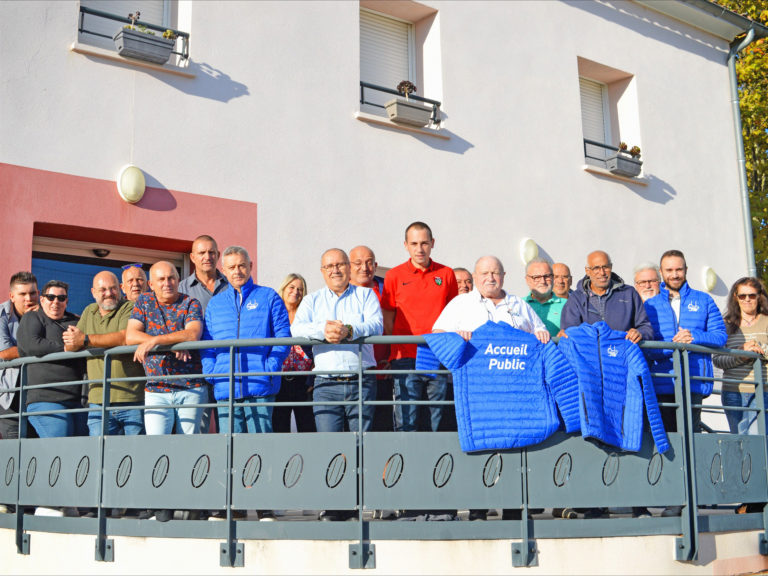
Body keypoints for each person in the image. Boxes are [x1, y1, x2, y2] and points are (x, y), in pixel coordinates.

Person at [291, 248, 382, 522]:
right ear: (322, 271)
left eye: (340, 264)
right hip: (325, 383)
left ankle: (357, 503)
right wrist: (324, 331)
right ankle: (335, 505)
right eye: (329, 266)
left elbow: (377, 325)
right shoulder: (312, 300)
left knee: (359, 445)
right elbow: (297, 329)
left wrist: (349, 331)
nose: (335, 270)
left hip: (361, 380)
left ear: (348, 268)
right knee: (330, 446)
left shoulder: (366, 295)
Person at [201, 246, 291, 434]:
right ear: (223, 271)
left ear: (250, 266)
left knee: (260, 448)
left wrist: (271, 367)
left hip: (261, 384)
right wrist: (211, 372)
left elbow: (283, 336)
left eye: (241, 266)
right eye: (231, 267)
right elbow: (207, 344)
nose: (237, 271)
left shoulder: (269, 297)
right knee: (230, 448)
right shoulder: (215, 304)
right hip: (225, 385)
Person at [381, 222, 458, 432]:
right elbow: (388, 318)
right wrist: (401, 344)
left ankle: (433, 464)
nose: (419, 248)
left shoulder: (447, 274)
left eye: (424, 243)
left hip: (437, 355)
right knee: (406, 420)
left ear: (432, 243)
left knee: (436, 418)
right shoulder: (394, 276)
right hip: (405, 357)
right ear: (405, 245)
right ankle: (406, 463)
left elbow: (453, 315)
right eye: (414, 243)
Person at [643, 250, 727, 431]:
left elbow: (720, 336)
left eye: (679, 269)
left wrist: (694, 337)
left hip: (694, 381)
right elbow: (645, 345)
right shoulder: (650, 305)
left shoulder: (704, 300)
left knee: (692, 436)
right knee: (668, 437)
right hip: (662, 381)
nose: (674, 275)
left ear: (686, 270)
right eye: (670, 270)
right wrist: (673, 347)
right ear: (661, 272)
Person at [126, 261, 207, 436]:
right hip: (156, 388)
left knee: (189, 447)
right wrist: (172, 345)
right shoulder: (144, 301)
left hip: (190, 387)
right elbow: (131, 335)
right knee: (156, 447)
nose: (167, 283)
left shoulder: (191, 303)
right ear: (151, 284)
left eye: (171, 278)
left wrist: (156, 341)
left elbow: (193, 334)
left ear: (178, 280)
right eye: (161, 279)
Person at [62, 271, 145, 436]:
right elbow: (72, 345)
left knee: (136, 454)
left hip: (131, 399)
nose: (109, 293)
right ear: (93, 292)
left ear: (120, 289)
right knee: (100, 455)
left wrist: (84, 339)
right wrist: (71, 340)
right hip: (97, 400)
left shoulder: (130, 307)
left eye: (113, 288)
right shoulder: (89, 311)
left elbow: (124, 337)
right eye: (103, 289)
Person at [17, 280, 86, 438]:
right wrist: (67, 347)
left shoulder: (76, 322)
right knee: (60, 444)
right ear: (42, 300)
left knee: (83, 449)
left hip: (78, 400)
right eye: (50, 297)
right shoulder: (33, 318)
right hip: (45, 399)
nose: (56, 302)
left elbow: (89, 341)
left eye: (61, 298)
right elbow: (32, 344)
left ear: (67, 301)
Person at [434, 256, 549, 343]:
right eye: (484, 273)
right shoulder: (460, 302)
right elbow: (438, 334)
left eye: (495, 273)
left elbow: (541, 332)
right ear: (474, 276)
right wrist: (456, 337)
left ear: (503, 275)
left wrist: (541, 334)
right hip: (475, 372)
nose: (490, 278)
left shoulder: (519, 304)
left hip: (513, 371)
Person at [713, 277, 768, 436]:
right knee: (740, 440)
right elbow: (717, 359)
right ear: (735, 297)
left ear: (759, 296)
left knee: (758, 437)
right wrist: (741, 353)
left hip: (762, 391)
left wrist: (759, 348)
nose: (747, 299)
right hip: (733, 392)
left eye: (752, 295)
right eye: (742, 296)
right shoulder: (725, 324)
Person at [560, 250, 652, 343]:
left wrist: (640, 333)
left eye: (606, 267)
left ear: (611, 267)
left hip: (623, 354)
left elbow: (646, 327)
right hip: (588, 356)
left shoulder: (629, 293)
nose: (602, 272)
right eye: (596, 268)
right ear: (587, 271)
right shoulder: (576, 299)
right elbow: (570, 333)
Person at [349, 245, 392, 431]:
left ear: (375, 265)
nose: (364, 268)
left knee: (382, 426)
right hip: (352, 373)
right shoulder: (340, 291)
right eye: (358, 263)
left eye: (368, 263)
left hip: (384, 371)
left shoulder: (387, 288)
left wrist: (393, 357)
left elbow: (396, 324)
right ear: (349, 267)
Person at [272, 273, 316, 433]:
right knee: (279, 427)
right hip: (279, 380)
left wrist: (312, 378)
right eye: (292, 287)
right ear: (283, 289)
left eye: (300, 289)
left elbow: (317, 346)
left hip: (303, 381)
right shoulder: (274, 313)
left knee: (308, 427)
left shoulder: (308, 314)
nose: (295, 291)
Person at [0, 272, 39, 440]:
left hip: (41, 393)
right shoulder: (2, 315)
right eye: (22, 294)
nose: (28, 298)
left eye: (32, 293)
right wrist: (39, 346)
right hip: (11, 397)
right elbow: (5, 353)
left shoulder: (47, 312)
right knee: (16, 449)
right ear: (12, 296)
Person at [178, 235, 228, 311]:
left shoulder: (231, 285)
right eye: (202, 253)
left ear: (218, 255)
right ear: (192, 257)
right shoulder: (181, 290)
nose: (207, 257)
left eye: (211, 252)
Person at [523, 258, 566, 338]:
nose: (543, 281)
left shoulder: (568, 305)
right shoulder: (519, 305)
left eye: (546, 276)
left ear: (553, 278)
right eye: (536, 277)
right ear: (527, 280)